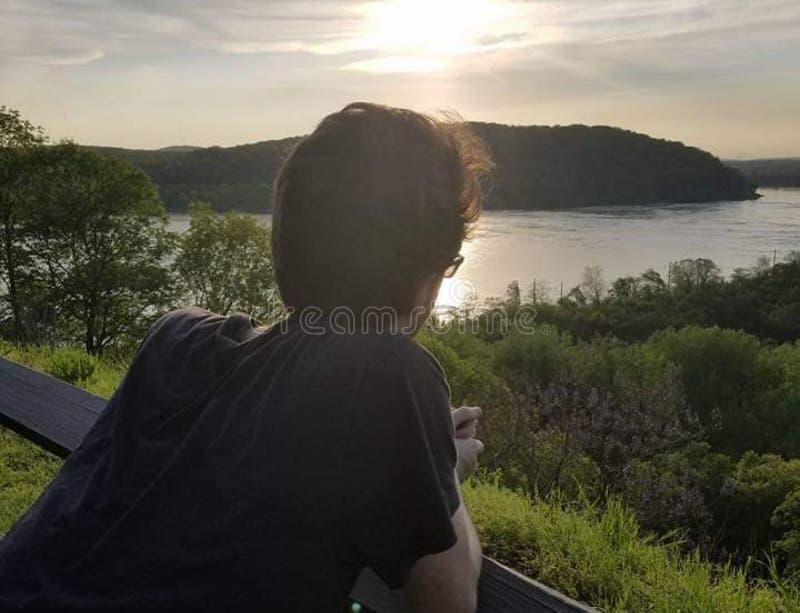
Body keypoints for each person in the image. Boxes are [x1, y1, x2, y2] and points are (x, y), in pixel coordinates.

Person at [0, 102, 492, 612]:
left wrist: (419, 453)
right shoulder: (387, 373)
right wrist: (444, 474)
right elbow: (448, 602)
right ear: (431, 273)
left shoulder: (175, 336)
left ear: (286, 240)